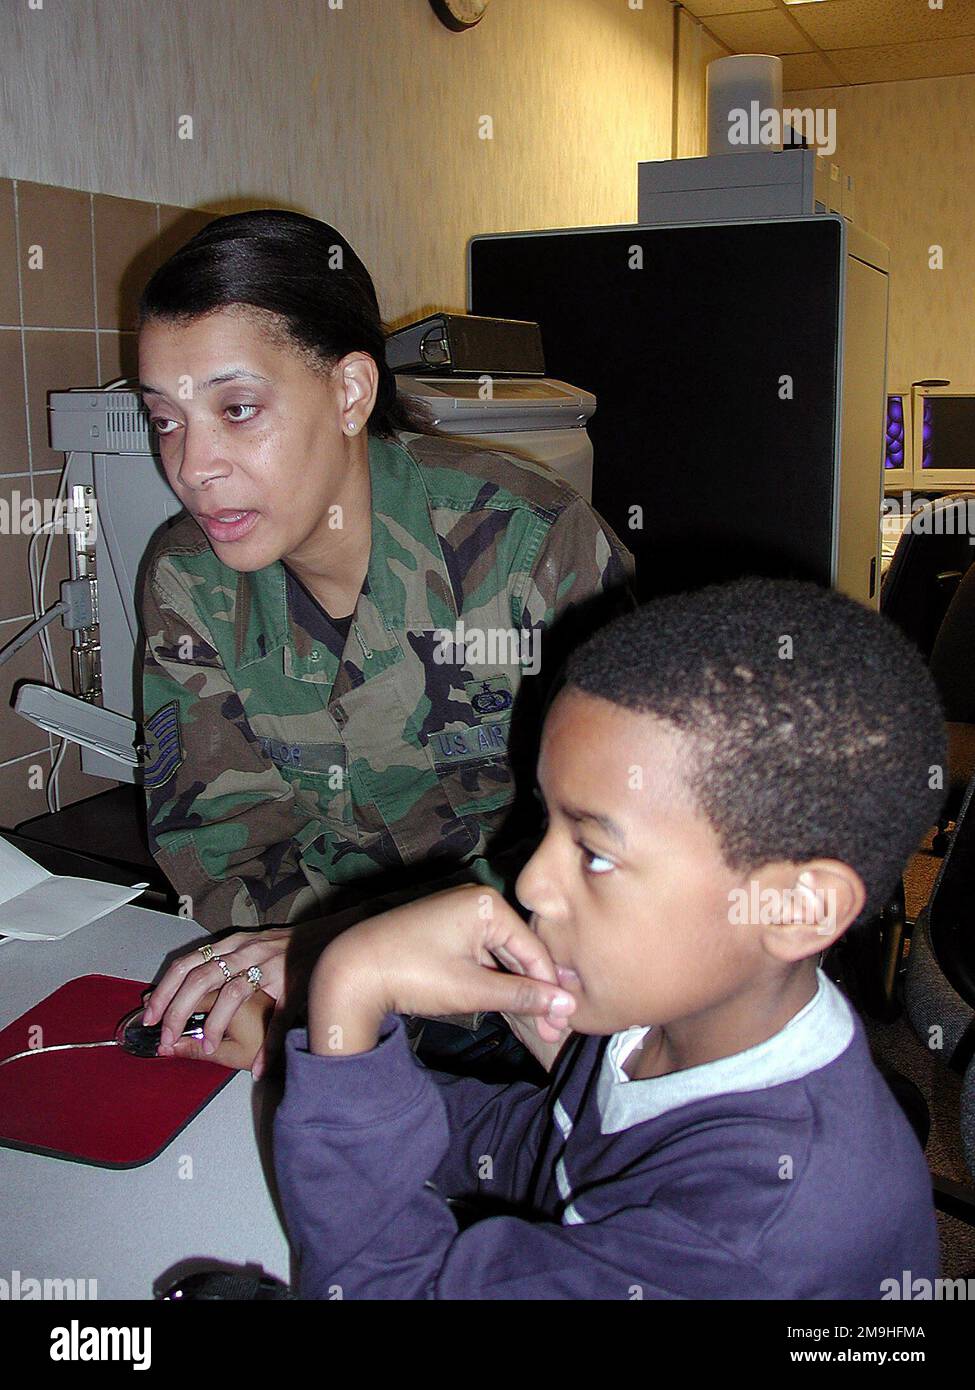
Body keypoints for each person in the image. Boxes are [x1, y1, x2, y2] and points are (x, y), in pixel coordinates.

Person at [272, 576, 944, 1299]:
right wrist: (338, 1090)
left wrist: (348, 989)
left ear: (794, 907)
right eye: (546, 824)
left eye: (593, 851)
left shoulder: (751, 1239)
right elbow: (544, 1147)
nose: (528, 883)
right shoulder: (662, 1025)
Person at [136, 208, 634, 1073]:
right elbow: (221, 841)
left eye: (238, 409)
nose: (192, 466)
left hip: (548, 988)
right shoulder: (190, 579)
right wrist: (307, 978)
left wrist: (353, 953)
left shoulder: (527, 546)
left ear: (350, 393)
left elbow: (629, 847)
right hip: (329, 997)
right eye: (166, 420)